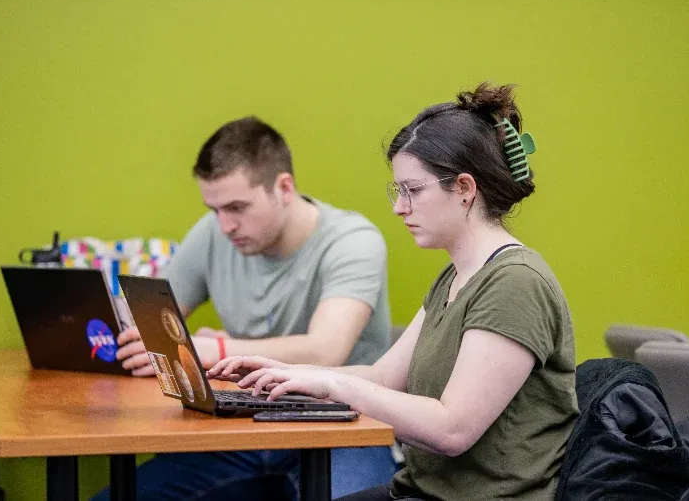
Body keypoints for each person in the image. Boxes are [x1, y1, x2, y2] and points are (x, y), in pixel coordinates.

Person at [208, 83, 579, 501]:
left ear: (464, 189)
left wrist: (333, 386)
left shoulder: (516, 283)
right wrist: (291, 373)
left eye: (412, 190)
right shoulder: (457, 277)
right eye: (398, 190)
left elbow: (451, 429)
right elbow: (384, 377)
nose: (399, 208)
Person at [93, 116, 396, 500]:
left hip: (344, 427)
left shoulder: (353, 241)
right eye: (214, 209)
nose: (224, 225)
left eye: (237, 207)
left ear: (283, 187)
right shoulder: (213, 232)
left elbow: (326, 350)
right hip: (243, 424)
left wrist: (217, 349)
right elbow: (145, 318)